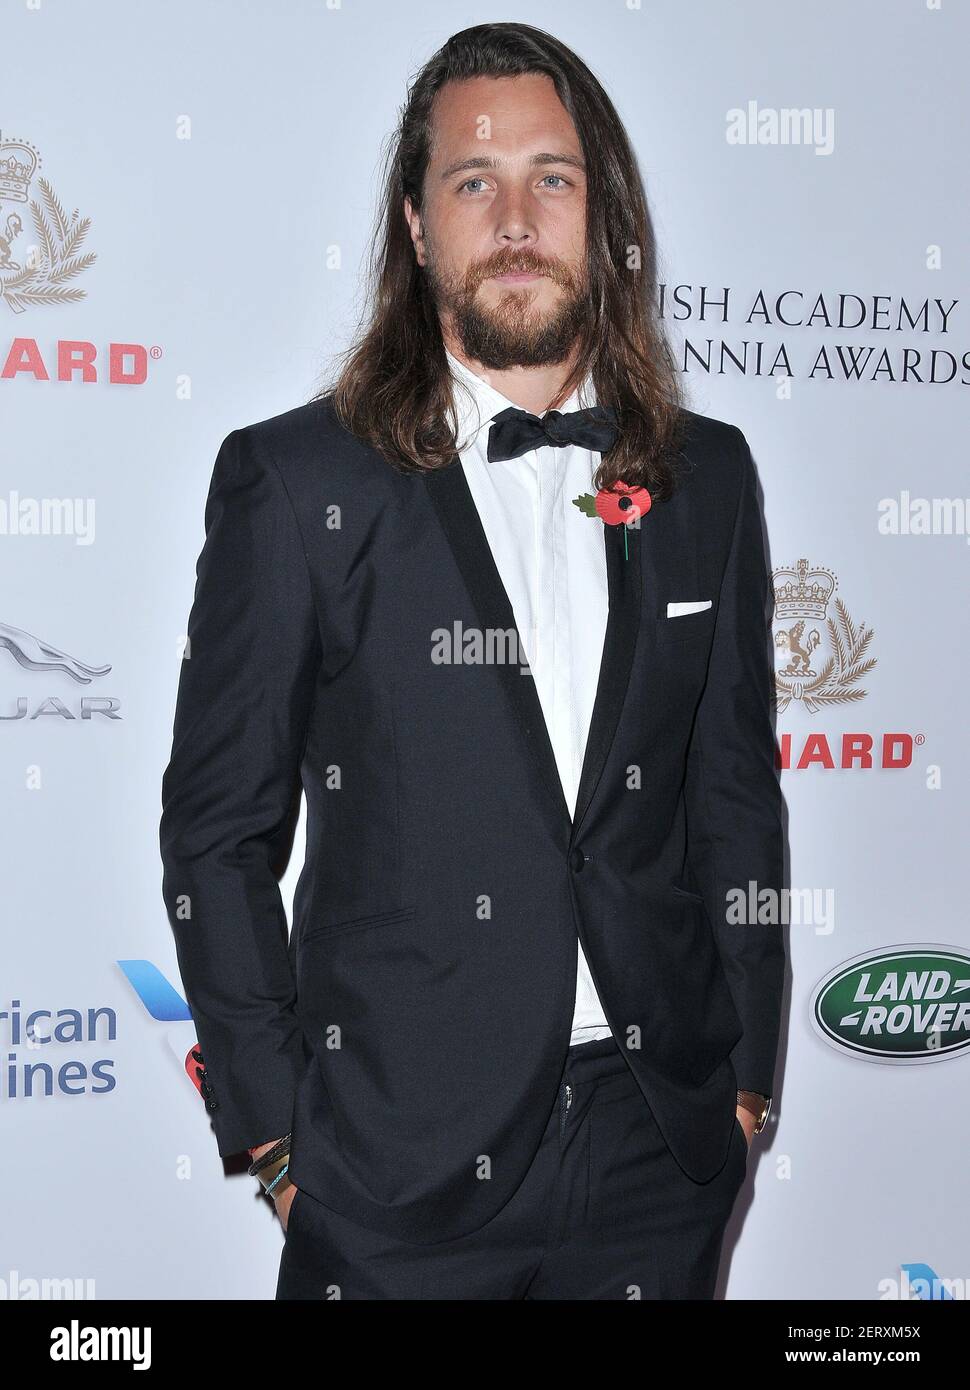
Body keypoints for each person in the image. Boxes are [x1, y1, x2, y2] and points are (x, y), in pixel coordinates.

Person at [159, 21, 785, 1301]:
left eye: (552, 178)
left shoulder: (706, 477)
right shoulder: (298, 483)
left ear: (603, 215)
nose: (514, 216)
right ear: (414, 223)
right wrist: (282, 1141)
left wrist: (746, 1083)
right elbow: (216, 833)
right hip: (393, 1166)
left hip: (654, 1150)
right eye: (472, 181)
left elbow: (732, 795)